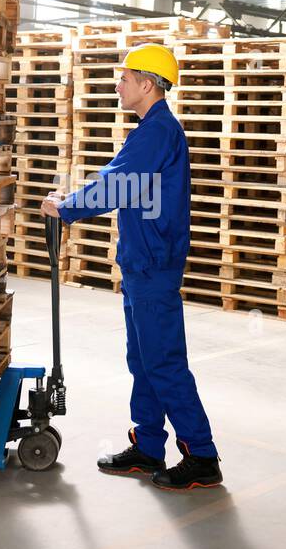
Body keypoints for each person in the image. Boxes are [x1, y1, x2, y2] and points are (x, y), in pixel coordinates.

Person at [41, 43, 222, 491]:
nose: (117, 85)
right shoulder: (149, 129)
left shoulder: (158, 131)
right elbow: (117, 179)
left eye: (124, 78)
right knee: (142, 360)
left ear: (146, 84)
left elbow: (118, 185)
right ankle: (147, 445)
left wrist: (65, 209)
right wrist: (72, 202)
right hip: (142, 263)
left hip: (155, 264)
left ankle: (201, 455)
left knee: (163, 362)